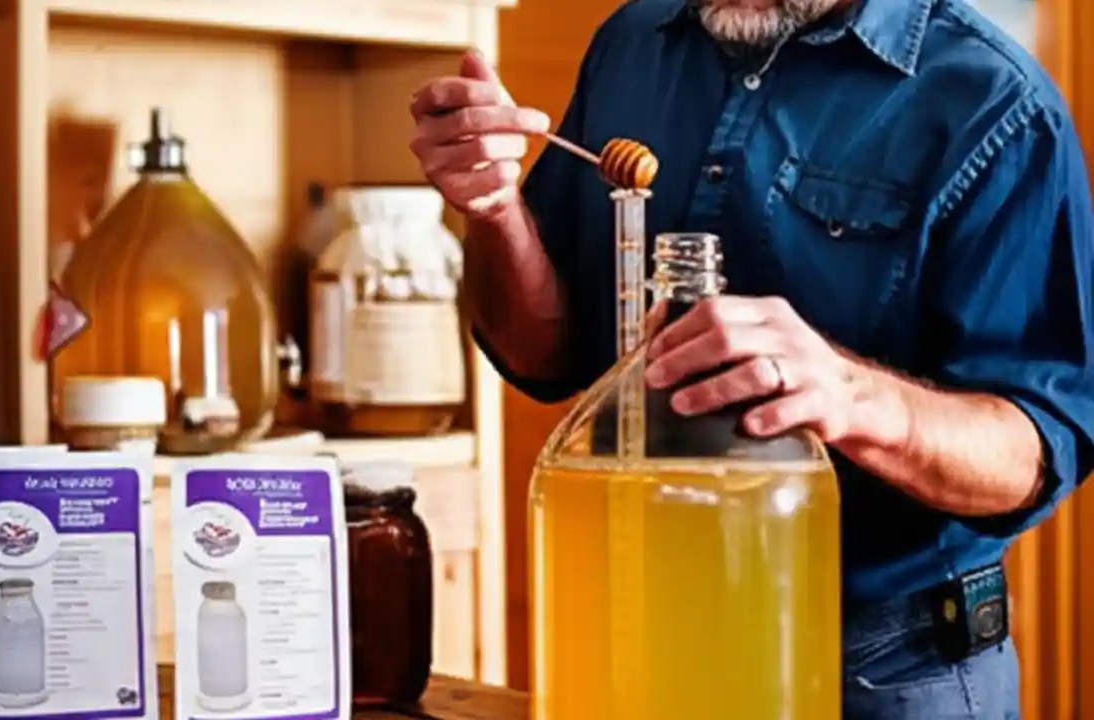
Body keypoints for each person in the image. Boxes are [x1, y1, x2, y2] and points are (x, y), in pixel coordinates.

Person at [408, 0, 1094, 717]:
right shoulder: (632, 43)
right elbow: (544, 353)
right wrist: (492, 211)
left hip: (881, 669)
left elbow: (1035, 450)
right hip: (641, 628)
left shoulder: (994, 102)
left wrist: (849, 394)